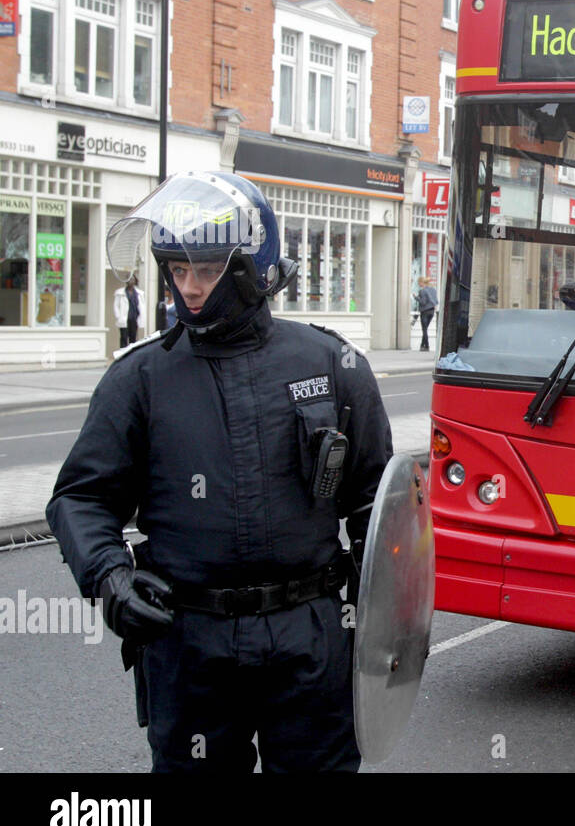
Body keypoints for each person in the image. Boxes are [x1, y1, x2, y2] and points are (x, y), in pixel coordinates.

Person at [47, 172, 393, 772]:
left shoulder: (329, 362)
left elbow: (377, 502)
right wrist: (110, 579)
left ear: (250, 268)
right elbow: (81, 498)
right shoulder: (141, 379)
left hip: (309, 638)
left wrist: (384, 616)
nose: (191, 289)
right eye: (177, 271)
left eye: (205, 270)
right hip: (189, 643)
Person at [113, 275, 141, 347]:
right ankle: (123, 354)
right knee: (124, 337)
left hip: (134, 318)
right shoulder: (120, 292)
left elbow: (140, 306)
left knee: (133, 338)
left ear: (135, 281)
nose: (130, 281)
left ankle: (132, 355)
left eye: (132, 279)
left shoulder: (139, 293)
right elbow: (116, 305)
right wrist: (118, 316)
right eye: (128, 279)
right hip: (124, 318)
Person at [416, 276, 438, 351]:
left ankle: (427, 345)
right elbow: (436, 301)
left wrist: (416, 297)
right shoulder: (433, 290)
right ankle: (422, 345)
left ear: (421, 283)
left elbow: (423, 302)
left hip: (425, 311)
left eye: (418, 283)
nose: (418, 284)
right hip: (431, 311)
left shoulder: (422, 291)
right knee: (425, 329)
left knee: (424, 329)